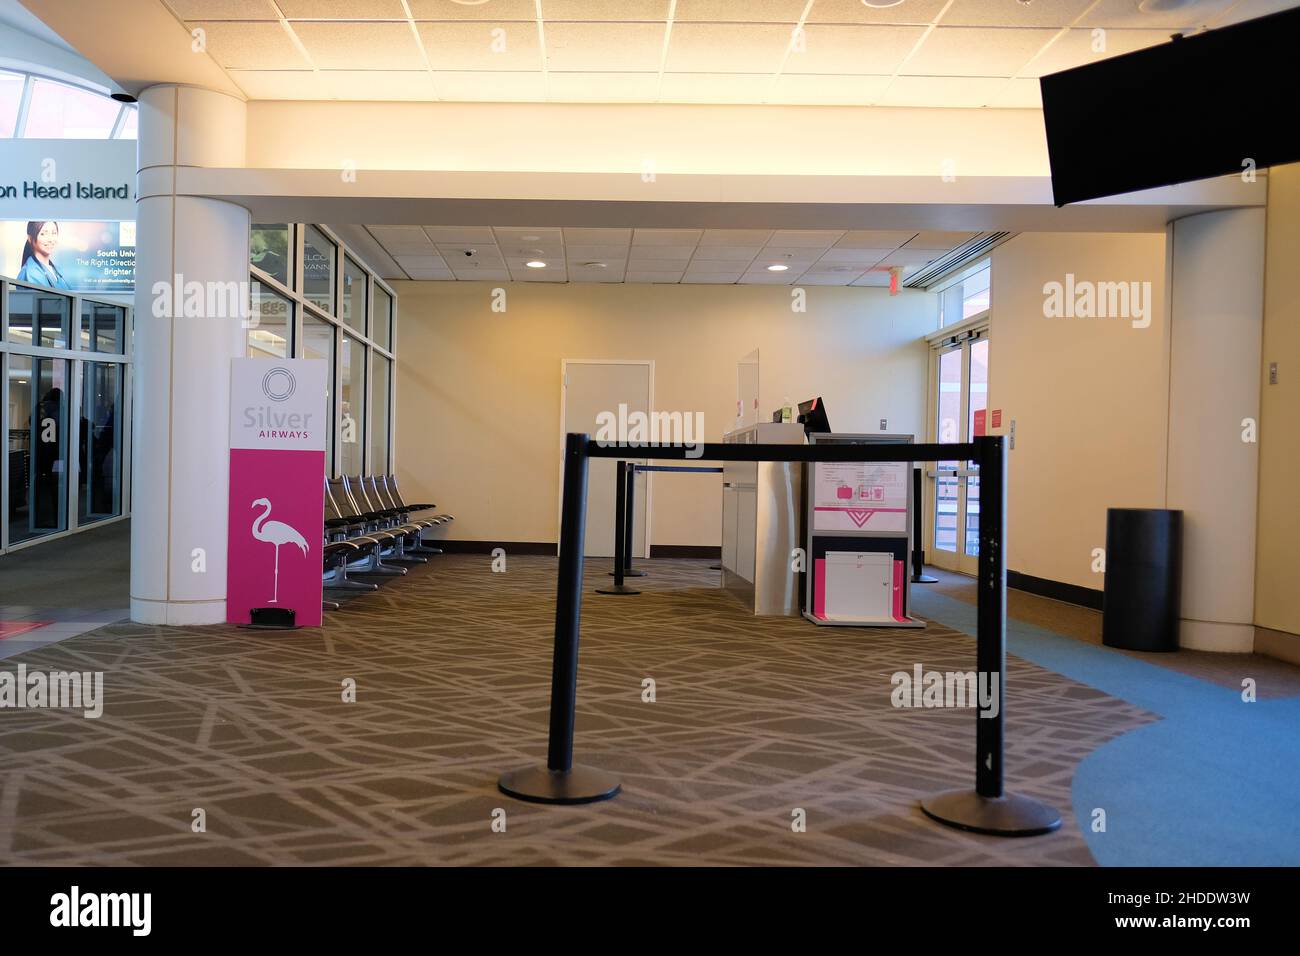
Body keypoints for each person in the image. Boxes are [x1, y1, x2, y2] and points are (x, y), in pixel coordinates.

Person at [16, 221, 71, 289]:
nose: (50, 239)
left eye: (54, 233)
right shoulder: (31, 273)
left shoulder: (57, 270)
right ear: (30, 238)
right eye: (43, 234)